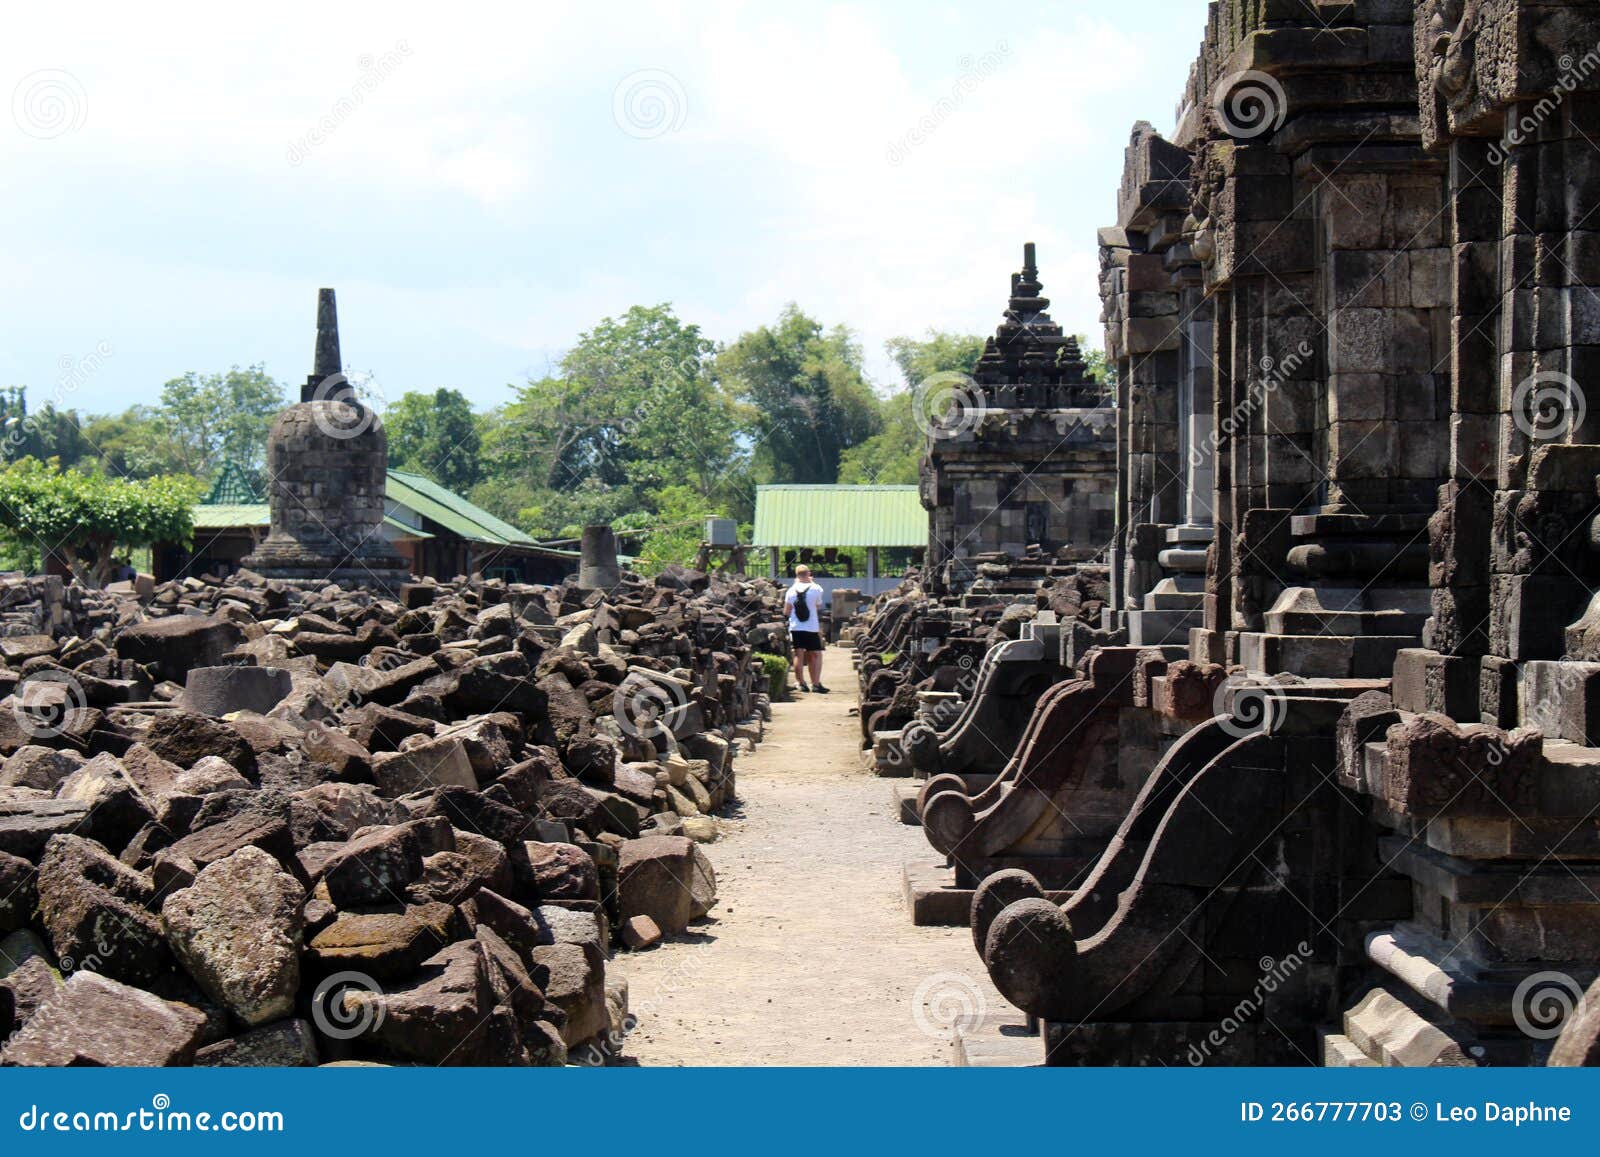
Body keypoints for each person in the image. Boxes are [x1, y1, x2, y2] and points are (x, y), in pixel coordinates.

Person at [785, 565, 827, 693]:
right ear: (809, 574)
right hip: (811, 626)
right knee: (814, 654)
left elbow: (786, 611)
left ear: (796, 575)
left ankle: (801, 683)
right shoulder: (816, 588)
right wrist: (811, 581)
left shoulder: (791, 591)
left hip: (796, 627)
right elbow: (818, 605)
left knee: (798, 654)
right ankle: (815, 683)